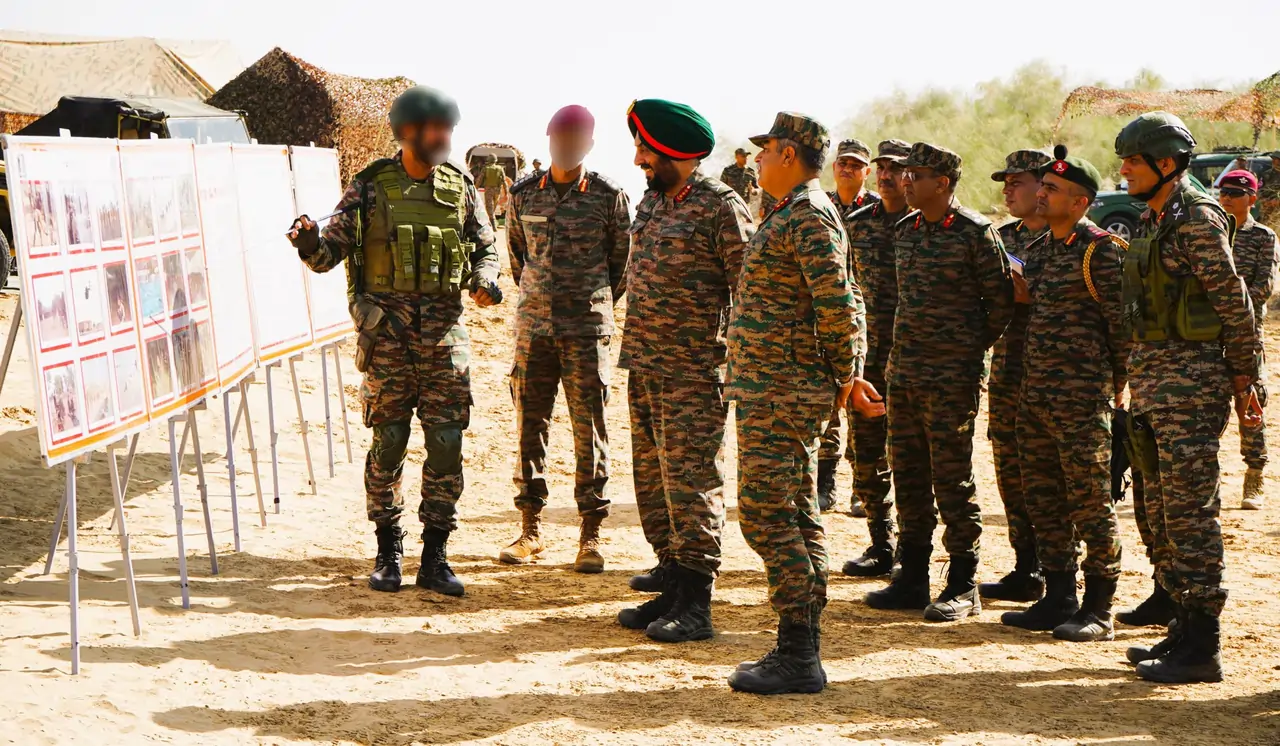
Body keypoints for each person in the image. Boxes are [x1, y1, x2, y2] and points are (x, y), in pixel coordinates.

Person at [287, 85, 503, 597]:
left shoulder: (461, 186)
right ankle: (388, 549)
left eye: (448, 129)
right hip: (388, 339)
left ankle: (436, 554)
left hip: (446, 339)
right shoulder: (370, 187)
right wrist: (310, 241)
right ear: (408, 131)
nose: (445, 138)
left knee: (447, 445)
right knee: (389, 443)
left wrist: (486, 279)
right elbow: (328, 253)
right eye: (436, 129)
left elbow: (485, 247)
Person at [725, 112, 878, 695]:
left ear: (788, 154)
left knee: (767, 513)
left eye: (765, 152)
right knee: (793, 512)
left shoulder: (808, 215)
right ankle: (800, 643)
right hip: (773, 385)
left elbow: (839, 301)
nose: (758, 161)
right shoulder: (794, 212)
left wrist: (846, 376)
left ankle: (798, 652)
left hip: (783, 390)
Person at [1114, 112, 1262, 684]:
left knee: (1190, 511)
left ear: (1166, 163)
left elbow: (1236, 303)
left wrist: (1246, 380)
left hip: (1192, 388)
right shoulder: (1156, 218)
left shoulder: (1197, 219)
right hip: (1155, 385)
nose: (1123, 170)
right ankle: (1181, 622)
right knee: (1161, 510)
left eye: (1133, 160)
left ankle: (1203, 644)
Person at [616, 99, 754, 643]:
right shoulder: (652, 203)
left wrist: (736, 362)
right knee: (653, 483)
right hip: (645, 365)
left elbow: (748, 292)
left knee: (691, 484)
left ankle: (696, 604)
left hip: (695, 372)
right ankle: (672, 585)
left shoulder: (721, 206)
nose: (637, 160)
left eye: (645, 149)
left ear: (674, 150)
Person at [864, 142, 1014, 622]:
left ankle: (963, 583)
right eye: (904, 174)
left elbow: (1001, 305)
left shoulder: (975, 232)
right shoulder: (905, 231)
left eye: (917, 175)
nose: (905, 181)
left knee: (951, 479)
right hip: (903, 373)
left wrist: (965, 350)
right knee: (907, 475)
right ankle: (911, 576)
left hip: (951, 378)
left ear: (943, 183)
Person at [999, 147, 1129, 642]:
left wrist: (1118, 389)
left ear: (1080, 202)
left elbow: (1121, 327)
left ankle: (1100, 606)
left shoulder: (1101, 249)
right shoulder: (1040, 249)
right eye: (1044, 187)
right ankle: (1057, 596)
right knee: (1043, 497)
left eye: (1052, 190)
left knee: (1090, 502)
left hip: (1081, 398)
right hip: (1035, 395)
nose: (1043, 194)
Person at [501, 105, 632, 572]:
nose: (568, 143)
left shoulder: (608, 197)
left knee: (589, 430)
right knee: (528, 428)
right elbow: (519, 261)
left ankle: (590, 535)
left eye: (578, 137)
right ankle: (530, 530)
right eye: (561, 135)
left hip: (586, 330)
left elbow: (621, 267)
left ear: (590, 144)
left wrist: (589, 301)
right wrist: (542, 300)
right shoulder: (521, 196)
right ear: (549, 136)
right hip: (534, 329)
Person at [978, 149, 1051, 604]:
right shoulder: (1001, 238)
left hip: (1055, 377)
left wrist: (1032, 297)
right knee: (1010, 471)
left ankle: (1057, 569)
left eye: (1017, 181)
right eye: (1004, 181)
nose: (1007, 189)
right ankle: (1027, 566)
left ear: (1044, 187)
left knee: (1052, 477)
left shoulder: (1073, 240)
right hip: (1007, 372)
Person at [839, 138, 911, 577]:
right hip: (867, 359)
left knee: (909, 458)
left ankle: (911, 547)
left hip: (912, 361)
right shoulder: (858, 224)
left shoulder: (924, 225)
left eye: (894, 170)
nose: (885, 176)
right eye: (880, 169)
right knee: (865, 454)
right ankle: (880, 542)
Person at [818, 138, 882, 512]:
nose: (847, 169)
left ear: (866, 172)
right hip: (831, 318)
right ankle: (825, 484)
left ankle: (863, 486)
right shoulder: (820, 205)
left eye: (856, 165)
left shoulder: (876, 210)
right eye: (842, 163)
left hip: (869, 319)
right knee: (830, 403)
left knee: (862, 410)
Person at [1217, 169, 1278, 510]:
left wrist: (1232, 313)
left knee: (1250, 403)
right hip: (1209, 333)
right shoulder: (1212, 232)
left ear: (1251, 199)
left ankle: (1254, 475)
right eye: (1223, 192)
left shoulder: (1263, 236)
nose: (1226, 198)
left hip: (1246, 332)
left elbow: (1264, 286)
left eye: (1235, 193)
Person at [480, 155, 507, 224]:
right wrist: (506, 192)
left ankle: (492, 222)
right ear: (496, 160)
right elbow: (504, 181)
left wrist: (475, 188)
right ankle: (492, 221)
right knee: (493, 207)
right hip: (497, 190)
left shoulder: (486, 168)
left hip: (488, 189)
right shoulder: (500, 168)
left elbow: (479, 180)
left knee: (489, 207)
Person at [1257, 150, 1280, 232]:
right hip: (1267, 211)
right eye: (1273, 159)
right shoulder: (1267, 174)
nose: (1273, 161)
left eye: (1276, 159)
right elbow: (1259, 189)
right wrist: (1264, 201)